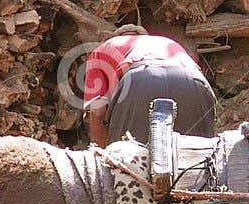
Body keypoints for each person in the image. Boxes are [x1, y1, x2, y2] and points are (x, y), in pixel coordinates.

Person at [81, 25, 218, 146]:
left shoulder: (102, 49)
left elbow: (97, 111)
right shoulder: (166, 42)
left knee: (126, 159)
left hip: (140, 79)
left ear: (116, 37)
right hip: (193, 80)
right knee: (199, 157)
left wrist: (99, 154)